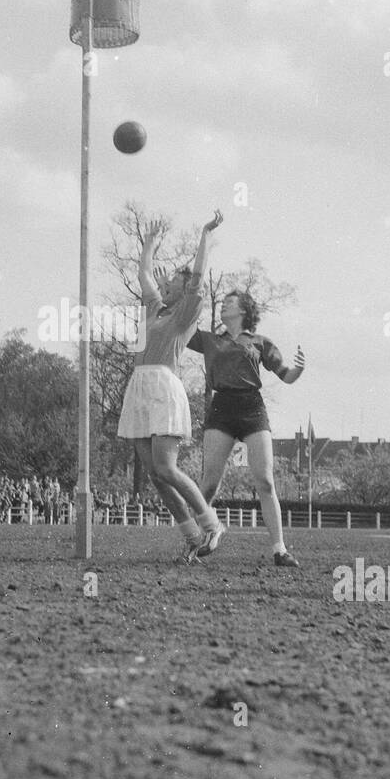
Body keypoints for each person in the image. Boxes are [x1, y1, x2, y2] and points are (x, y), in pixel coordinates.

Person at [117, 212, 226, 561]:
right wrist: (148, 244)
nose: (173, 278)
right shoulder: (155, 308)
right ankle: (192, 536)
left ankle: (211, 524)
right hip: (139, 388)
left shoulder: (185, 314)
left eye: (178, 278)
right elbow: (144, 273)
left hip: (164, 386)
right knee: (155, 475)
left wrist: (205, 234)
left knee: (166, 468)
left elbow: (197, 275)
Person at [188, 288, 306, 567]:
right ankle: (196, 542)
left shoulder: (260, 342)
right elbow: (180, 325)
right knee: (209, 484)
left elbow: (286, 375)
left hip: (252, 408)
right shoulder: (209, 340)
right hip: (221, 407)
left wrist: (298, 370)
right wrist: (179, 296)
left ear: (243, 310)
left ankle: (280, 550)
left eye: (230, 302)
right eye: (224, 302)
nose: (224, 305)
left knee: (265, 481)